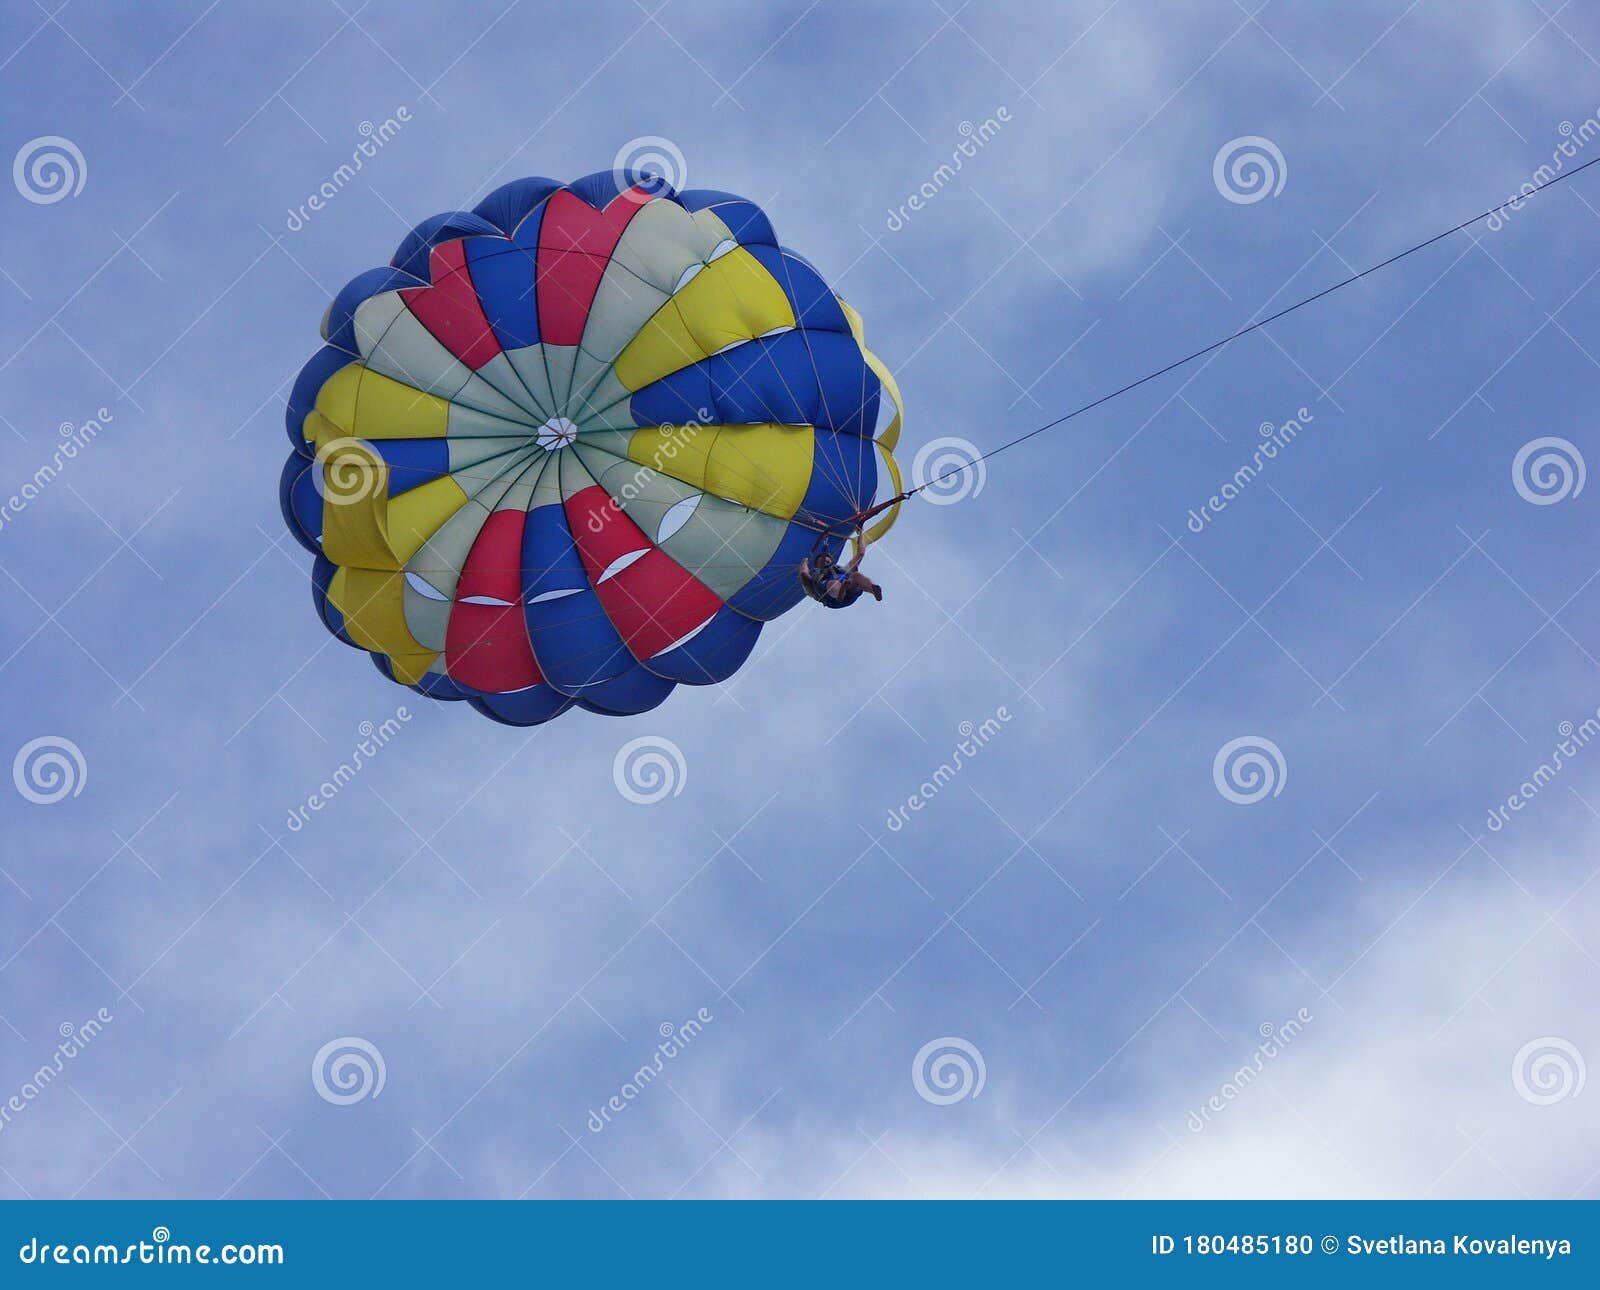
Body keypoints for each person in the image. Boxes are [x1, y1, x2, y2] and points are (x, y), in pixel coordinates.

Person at [799, 525, 883, 608]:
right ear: (817, 566)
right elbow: (804, 574)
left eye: (828, 561)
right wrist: (804, 564)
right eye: (822, 562)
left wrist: (860, 534)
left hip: (849, 591)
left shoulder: (842, 570)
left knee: (856, 575)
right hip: (832, 600)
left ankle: (873, 589)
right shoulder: (815, 578)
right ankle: (840, 593)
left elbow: (860, 553)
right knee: (834, 583)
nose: (826, 563)